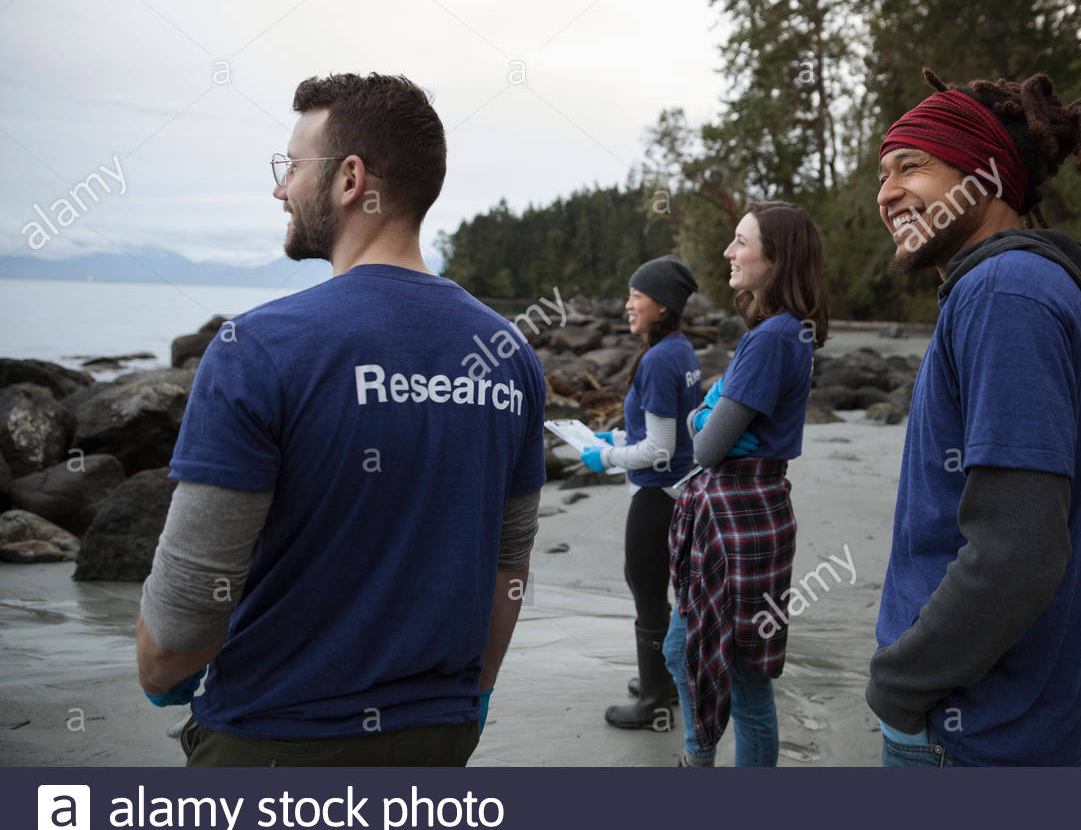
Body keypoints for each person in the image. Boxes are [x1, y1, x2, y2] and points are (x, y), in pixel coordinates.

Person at [135, 72, 547, 766]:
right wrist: (470, 698)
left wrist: (161, 674)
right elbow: (509, 565)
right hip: (437, 740)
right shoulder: (507, 355)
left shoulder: (258, 349)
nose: (279, 188)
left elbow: (182, 622)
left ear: (351, 179)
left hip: (272, 741)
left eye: (291, 167)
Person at [867, 67, 1081, 766]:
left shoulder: (1005, 291)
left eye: (912, 165)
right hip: (999, 720)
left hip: (967, 733)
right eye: (882, 173)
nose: (888, 192)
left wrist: (900, 687)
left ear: (984, 176)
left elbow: (1019, 550)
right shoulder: (1013, 286)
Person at [664, 201, 829, 767]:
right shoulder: (783, 332)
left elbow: (706, 446)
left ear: (776, 257)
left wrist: (699, 417)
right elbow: (717, 430)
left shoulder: (772, 338)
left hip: (740, 515)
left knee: (745, 681)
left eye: (741, 241)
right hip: (750, 507)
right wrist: (709, 416)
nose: (729, 252)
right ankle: (699, 754)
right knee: (687, 652)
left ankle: (701, 763)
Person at [578, 256, 703, 731]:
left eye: (637, 296)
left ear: (664, 307)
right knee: (657, 591)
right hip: (680, 490)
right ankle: (666, 679)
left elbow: (659, 448)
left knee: (646, 590)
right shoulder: (681, 351)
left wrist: (604, 458)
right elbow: (671, 433)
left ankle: (654, 701)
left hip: (657, 495)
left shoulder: (657, 360)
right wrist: (615, 439)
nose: (627, 304)